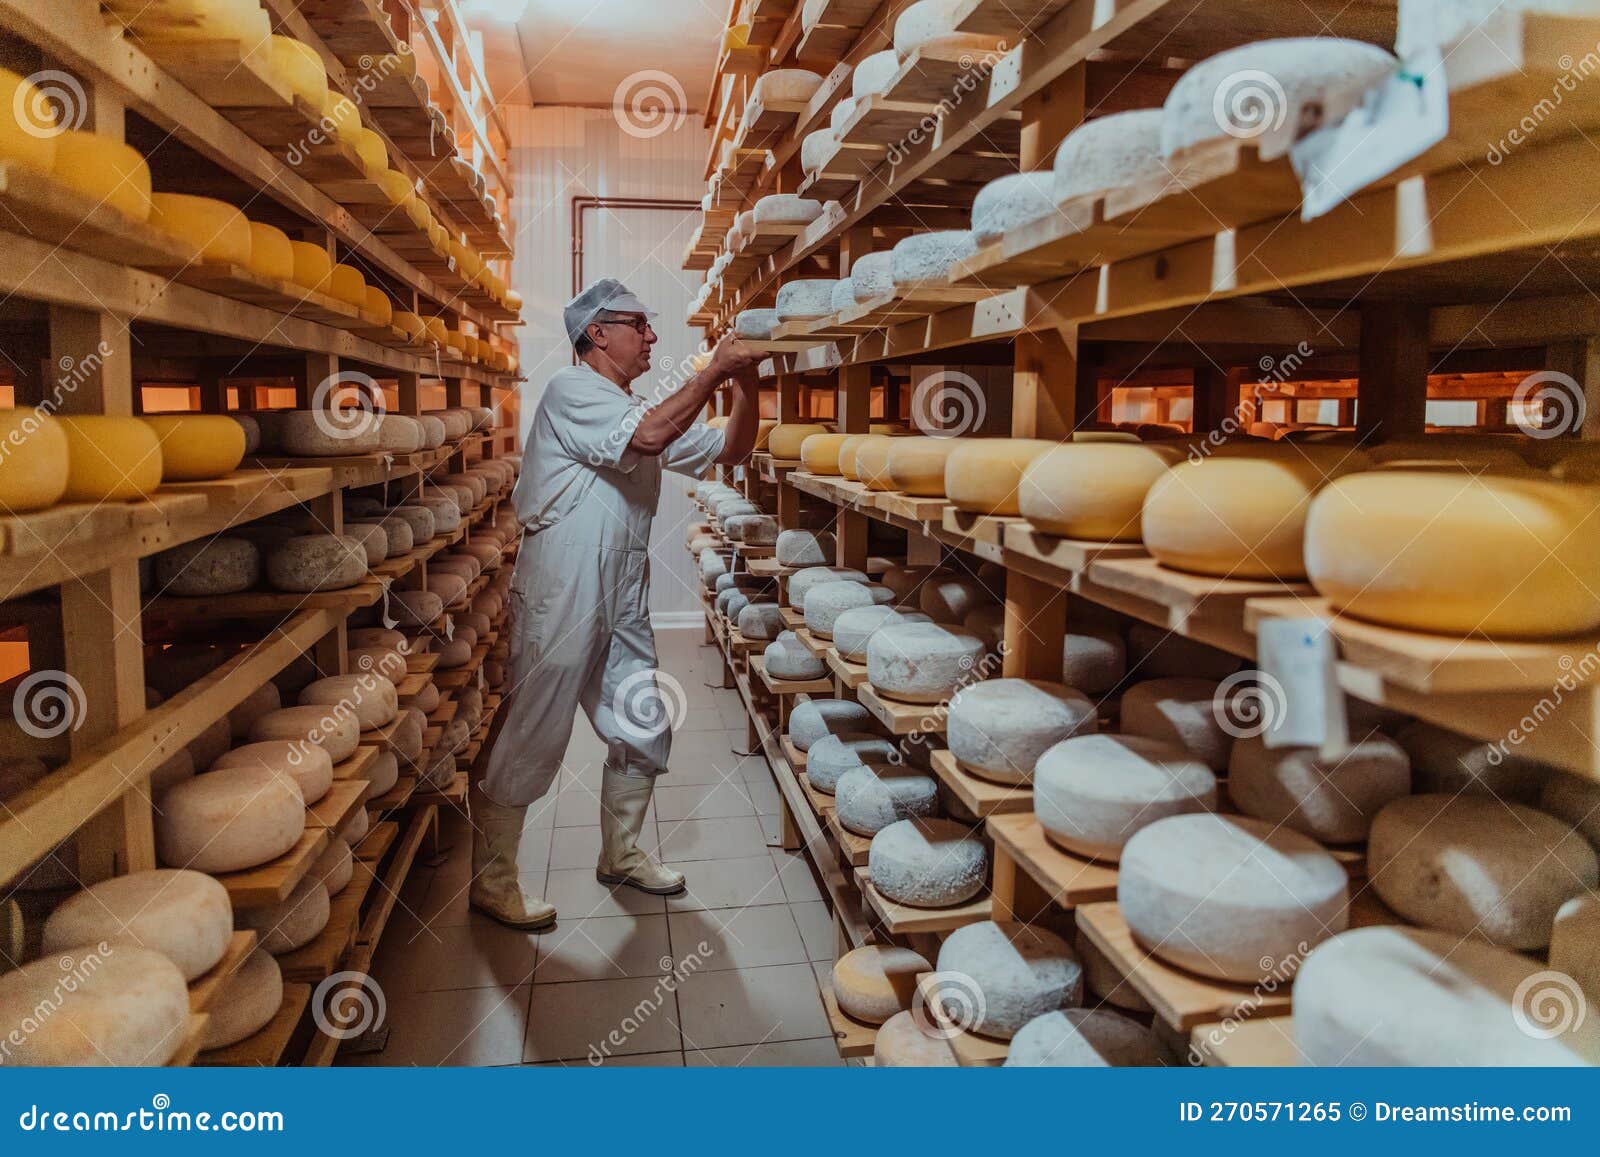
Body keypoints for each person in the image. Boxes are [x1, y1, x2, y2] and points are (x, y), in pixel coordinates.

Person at [470, 278, 766, 929]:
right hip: (561, 591)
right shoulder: (573, 392)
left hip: (621, 593)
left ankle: (621, 853)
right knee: (532, 733)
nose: (653, 337)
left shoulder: (632, 407)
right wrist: (716, 368)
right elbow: (654, 436)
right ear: (598, 333)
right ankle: (493, 881)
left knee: (643, 719)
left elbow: (733, 447)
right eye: (641, 323)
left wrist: (745, 384)